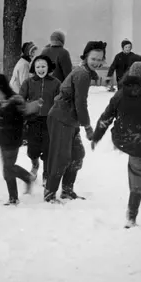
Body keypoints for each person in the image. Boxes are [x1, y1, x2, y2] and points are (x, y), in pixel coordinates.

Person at [92, 60, 141, 226]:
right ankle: (131, 215)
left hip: (120, 138)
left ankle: (125, 156)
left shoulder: (119, 95)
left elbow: (106, 117)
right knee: (140, 175)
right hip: (140, 143)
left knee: (133, 157)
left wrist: (97, 136)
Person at [43, 40, 105, 203]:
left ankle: (67, 190)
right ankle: (50, 193)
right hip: (61, 118)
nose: (96, 62)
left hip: (71, 120)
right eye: (93, 59)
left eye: (100, 59)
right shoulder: (82, 74)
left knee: (77, 155)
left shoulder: (85, 72)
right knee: (61, 157)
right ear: (86, 57)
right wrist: (88, 127)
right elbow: (80, 103)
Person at [0, 74, 35, 205]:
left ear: (4, 90)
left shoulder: (15, 101)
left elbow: (25, 116)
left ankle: (16, 194)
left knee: (8, 168)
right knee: (7, 169)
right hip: (2, 138)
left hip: (13, 138)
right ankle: (23, 182)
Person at [18, 53, 60, 183]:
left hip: (49, 120)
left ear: (48, 67)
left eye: (43, 66)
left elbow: (61, 101)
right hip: (33, 120)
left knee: (48, 149)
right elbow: (20, 100)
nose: (40, 69)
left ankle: (46, 173)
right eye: (38, 67)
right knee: (32, 150)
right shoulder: (28, 82)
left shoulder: (56, 83)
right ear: (34, 68)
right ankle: (35, 165)